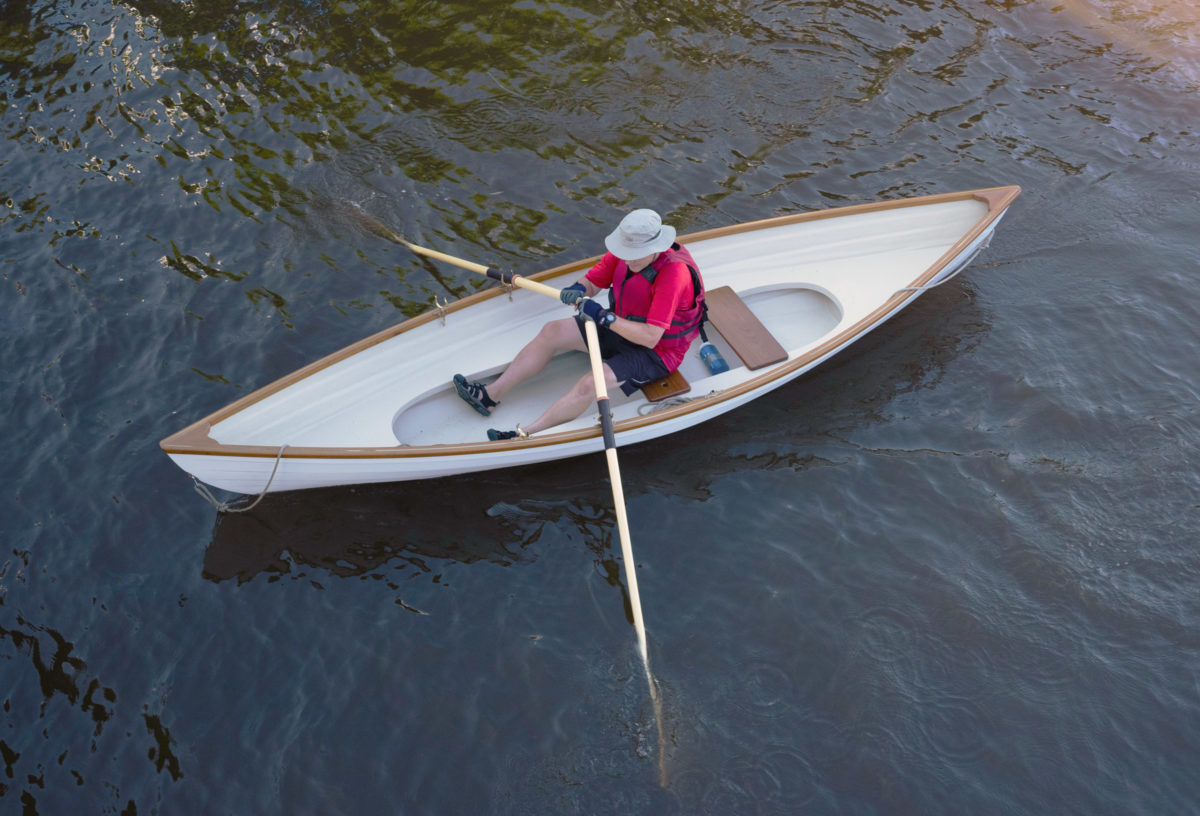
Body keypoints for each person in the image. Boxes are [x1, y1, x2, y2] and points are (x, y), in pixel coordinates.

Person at [453, 208, 706, 440]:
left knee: (591, 383)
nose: (628, 261)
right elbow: (594, 281)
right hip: (620, 328)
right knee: (552, 330)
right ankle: (489, 396)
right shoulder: (625, 253)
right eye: (625, 253)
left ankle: (524, 435)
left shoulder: (674, 274)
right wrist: (578, 289)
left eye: (634, 256)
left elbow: (651, 337)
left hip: (655, 353)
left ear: (656, 248)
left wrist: (604, 317)